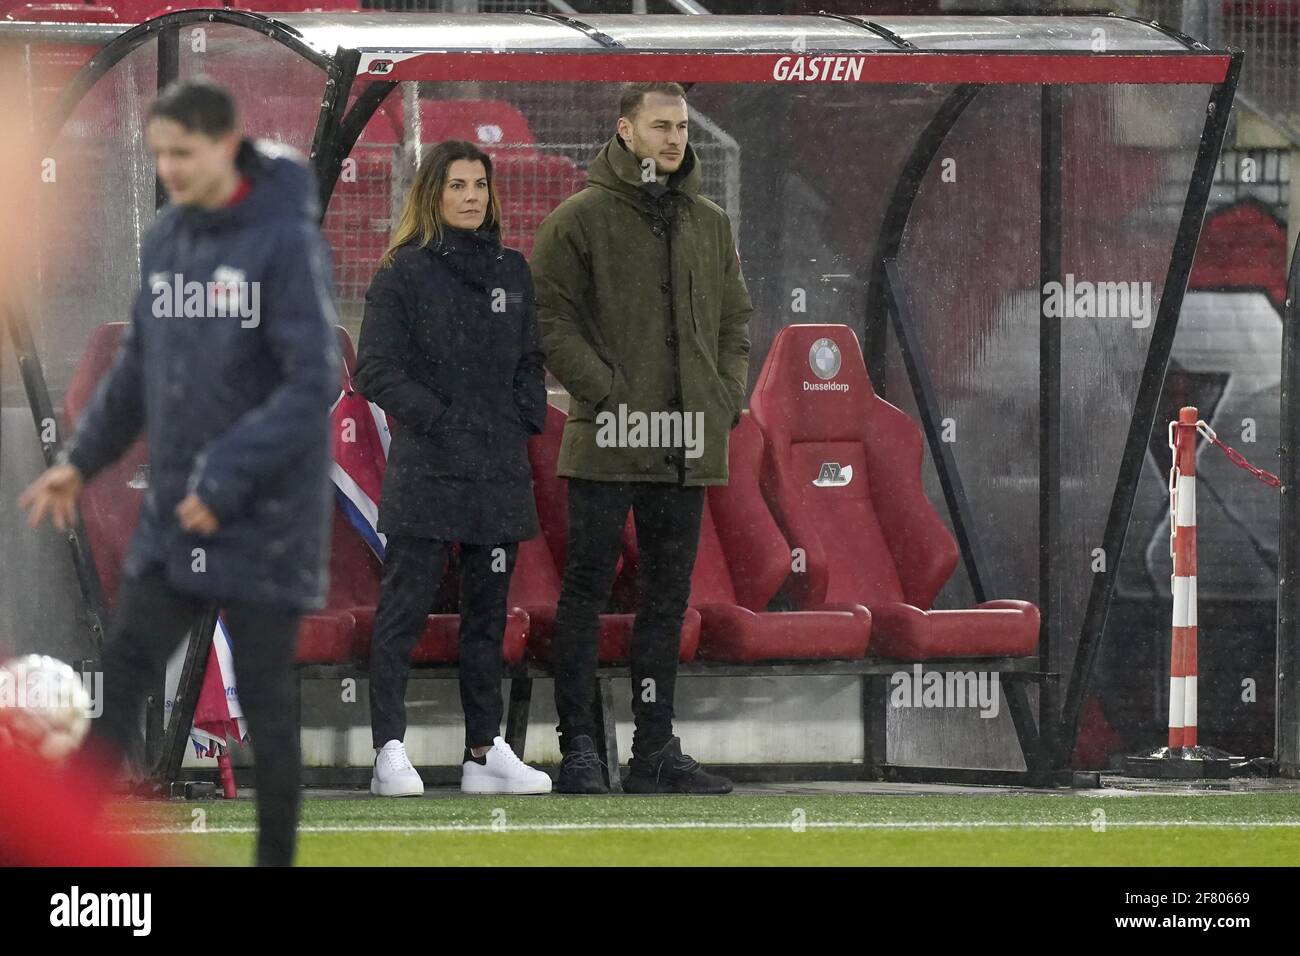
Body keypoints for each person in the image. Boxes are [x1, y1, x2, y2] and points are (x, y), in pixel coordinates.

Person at [18, 78, 339, 866]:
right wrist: (79, 461)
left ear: (226, 149)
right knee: (125, 677)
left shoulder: (283, 242)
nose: (170, 168)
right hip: (177, 507)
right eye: (159, 154)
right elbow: (136, 370)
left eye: (183, 154)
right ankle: (66, 859)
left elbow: (310, 383)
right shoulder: (166, 241)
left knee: (266, 700)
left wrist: (223, 479)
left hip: (263, 512)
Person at [530, 82, 753, 794]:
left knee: (664, 600)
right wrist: (604, 391)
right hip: (607, 438)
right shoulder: (579, 218)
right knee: (586, 595)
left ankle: (654, 749)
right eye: (660, 126)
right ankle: (581, 751)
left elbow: (736, 321)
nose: (674, 139)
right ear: (624, 131)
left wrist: (724, 395)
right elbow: (546, 318)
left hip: (686, 441)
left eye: (682, 127)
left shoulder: (709, 222)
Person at [355, 140, 551, 796]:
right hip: (428, 473)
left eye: (479, 185)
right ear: (433, 194)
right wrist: (440, 418)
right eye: (458, 185)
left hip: (496, 475)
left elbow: (531, 360)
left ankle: (483, 751)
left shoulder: (513, 272)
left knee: (488, 614)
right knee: (403, 611)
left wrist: (521, 416)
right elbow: (374, 368)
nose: (471, 196)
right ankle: (388, 750)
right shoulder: (401, 273)